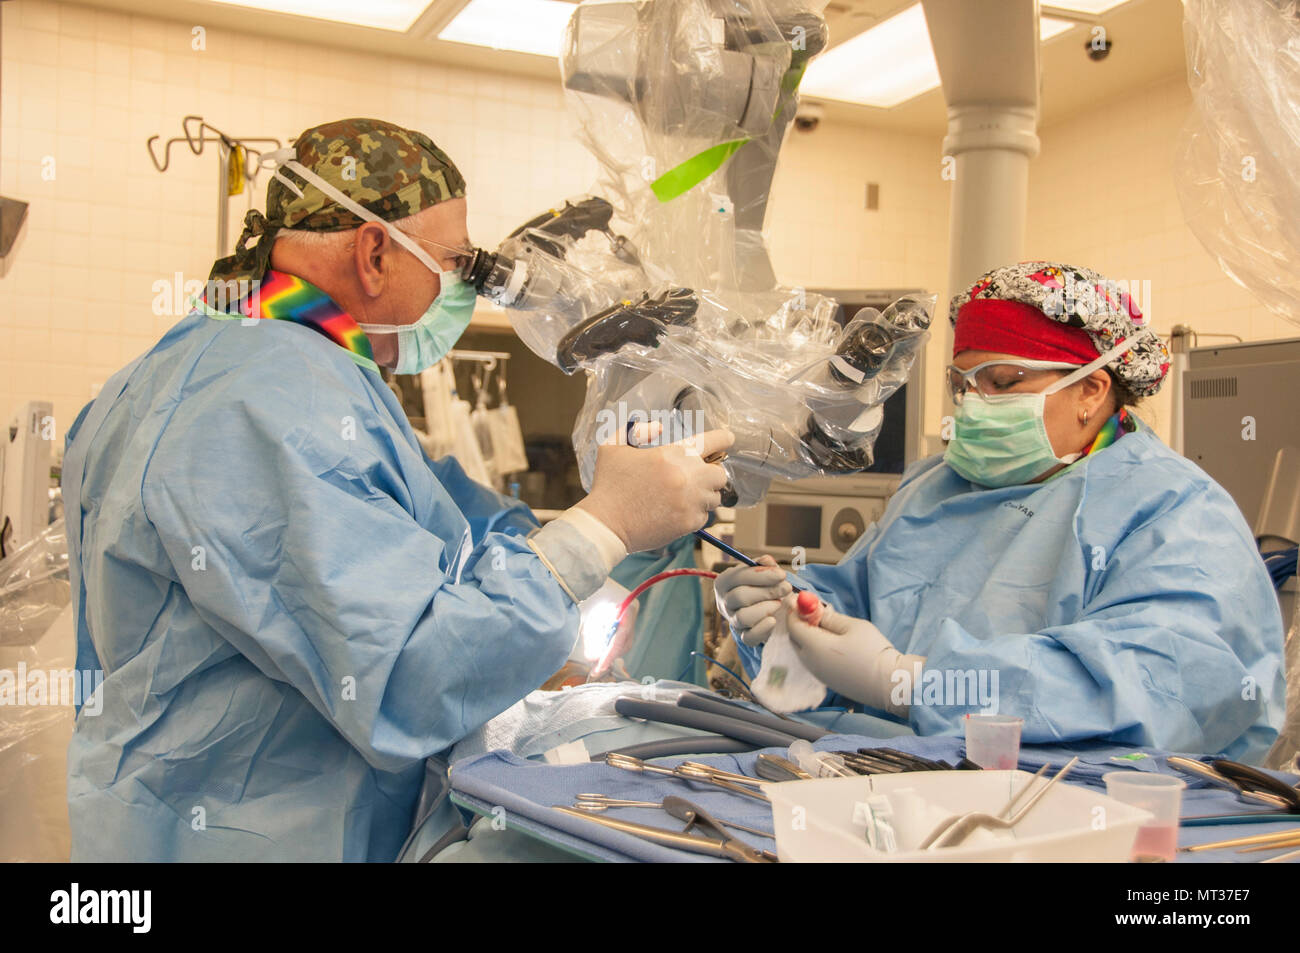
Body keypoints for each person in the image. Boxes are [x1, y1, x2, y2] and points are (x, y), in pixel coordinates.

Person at [62, 118, 732, 861]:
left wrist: (568, 547)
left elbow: (427, 516)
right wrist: (601, 527)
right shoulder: (279, 400)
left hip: (153, 816)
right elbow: (409, 674)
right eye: (452, 261)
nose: (457, 288)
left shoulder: (200, 361)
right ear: (375, 251)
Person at [717, 261, 1285, 763]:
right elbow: (859, 609)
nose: (973, 405)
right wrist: (787, 616)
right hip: (882, 777)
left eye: (1003, 381)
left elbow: (1165, 685)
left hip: (1076, 814)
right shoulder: (935, 488)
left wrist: (917, 685)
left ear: (1092, 390)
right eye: (962, 384)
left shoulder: (1177, 511)